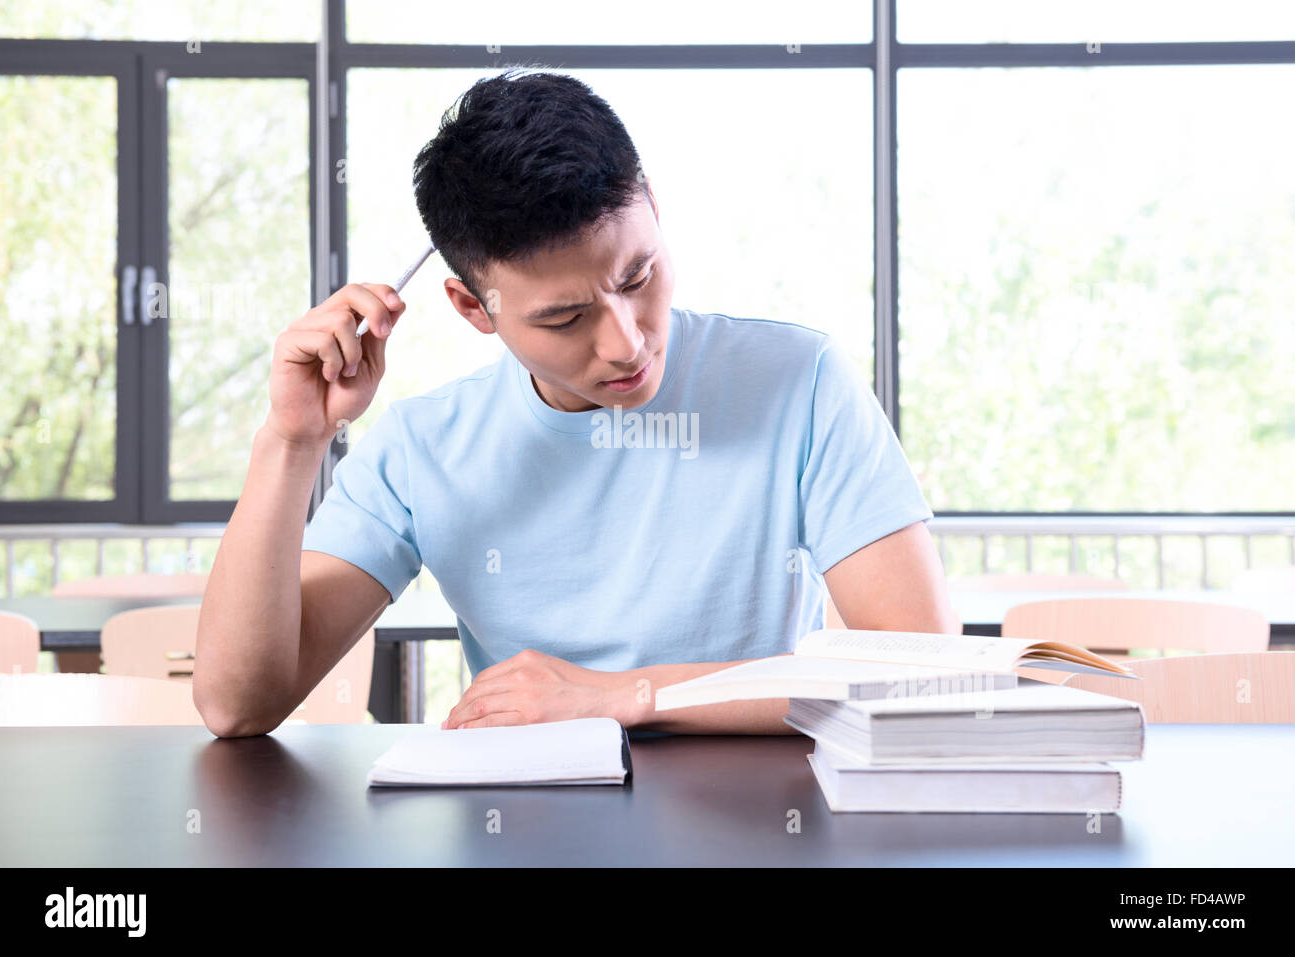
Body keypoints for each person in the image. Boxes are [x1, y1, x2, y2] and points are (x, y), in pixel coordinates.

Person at [193, 69, 957, 739]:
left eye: (637, 276)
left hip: (764, 824)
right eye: (564, 318)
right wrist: (291, 441)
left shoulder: (801, 381)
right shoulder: (422, 446)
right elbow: (238, 705)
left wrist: (620, 696)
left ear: (653, 205)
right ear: (472, 307)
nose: (626, 342)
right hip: (531, 829)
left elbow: (921, 671)